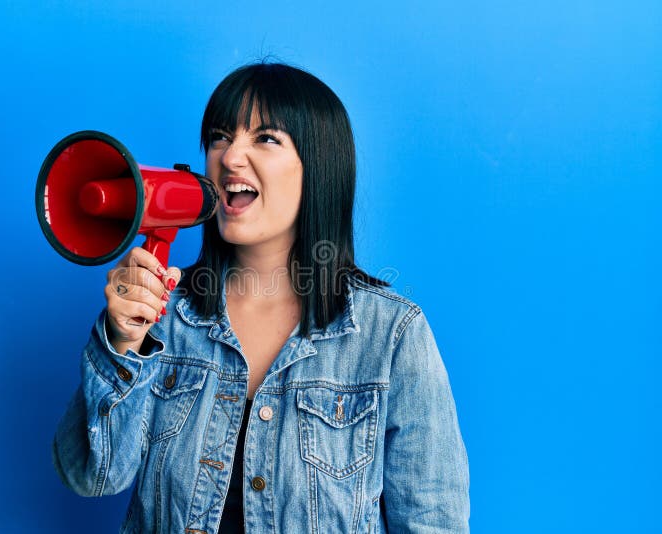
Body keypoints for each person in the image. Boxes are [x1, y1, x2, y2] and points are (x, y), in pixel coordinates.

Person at [52, 62, 470, 533]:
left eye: (266, 138)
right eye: (219, 136)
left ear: (319, 167)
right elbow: (92, 474)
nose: (230, 157)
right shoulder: (162, 317)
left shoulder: (389, 336)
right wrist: (121, 342)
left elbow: (433, 522)